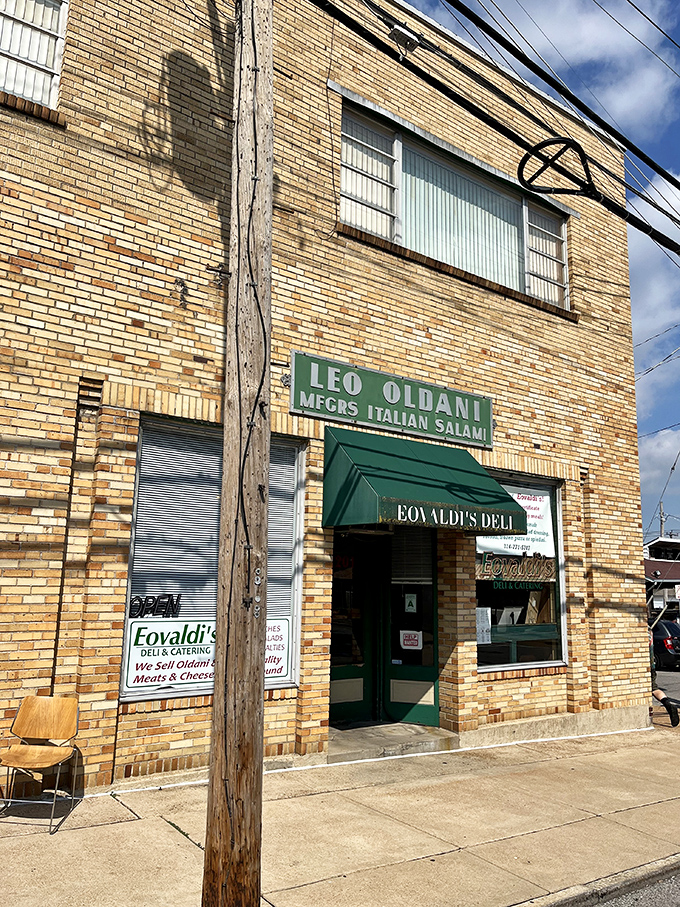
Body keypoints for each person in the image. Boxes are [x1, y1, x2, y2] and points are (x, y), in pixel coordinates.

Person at [650, 625, 680, 727]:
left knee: (652, 688)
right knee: (653, 688)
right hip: (651, 663)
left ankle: (669, 706)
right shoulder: (649, 631)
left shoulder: (641, 632)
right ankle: (668, 704)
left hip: (642, 666)